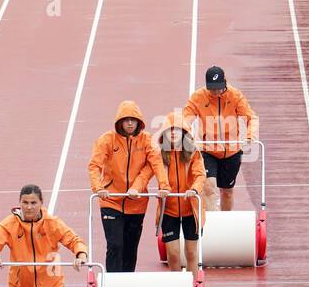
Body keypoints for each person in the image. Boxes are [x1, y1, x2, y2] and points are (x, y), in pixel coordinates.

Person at [88, 101, 169, 274]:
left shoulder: (147, 140)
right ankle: (111, 284)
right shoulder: (107, 140)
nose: (130, 123)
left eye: (133, 119)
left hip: (136, 203)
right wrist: (98, 188)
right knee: (115, 245)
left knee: (130, 248)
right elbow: (94, 165)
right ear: (119, 122)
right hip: (110, 200)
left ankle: (126, 284)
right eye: (126, 120)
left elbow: (155, 163)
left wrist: (161, 185)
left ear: (139, 121)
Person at [183, 66, 258, 213]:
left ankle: (225, 221)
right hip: (207, 150)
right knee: (208, 187)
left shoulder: (235, 96)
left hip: (231, 151)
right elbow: (185, 118)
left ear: (225, 82)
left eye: (219, 88)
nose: (216, 92)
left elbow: (251, 118)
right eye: (212, 89)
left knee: (227, 192)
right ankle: (212, 224)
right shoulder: (198, 97)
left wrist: (250, 135)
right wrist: (185, 134)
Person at [155, 110, 206, 274]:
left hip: (190, 209)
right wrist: (163, 188)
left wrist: (194, 189)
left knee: (191, 253)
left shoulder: (193, 153)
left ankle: (193, 285)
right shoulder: (160, 155)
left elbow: (200, 175)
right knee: (174, 254)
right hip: (169, 210)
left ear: (184, 132)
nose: (173, 133)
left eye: (177, 130)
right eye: (170, 130)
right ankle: (177, 285)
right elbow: (148, 173)